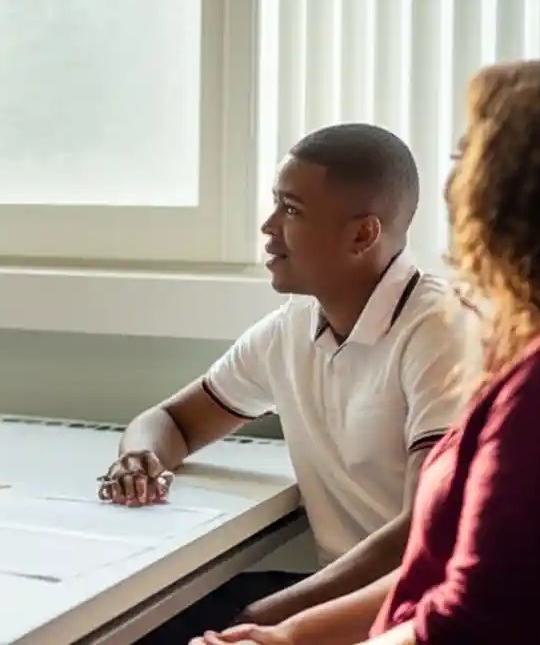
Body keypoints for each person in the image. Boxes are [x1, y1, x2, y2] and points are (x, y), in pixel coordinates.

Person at [212, 55, 540, 645]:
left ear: (517, 197)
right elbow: (437, 580)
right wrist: (289, 637)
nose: (449, 186)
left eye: (464, 157)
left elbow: (468, 629)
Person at [100, 124, 480, 643]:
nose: (268, 225)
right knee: (137, 622)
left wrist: (267, 616)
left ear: (362, 234)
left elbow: (423, 531)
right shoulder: (292, 327)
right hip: (333, 595)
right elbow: (172, 422)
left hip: (408, 607)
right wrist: (138, 457)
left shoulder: (440, 331)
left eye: (292, 210)